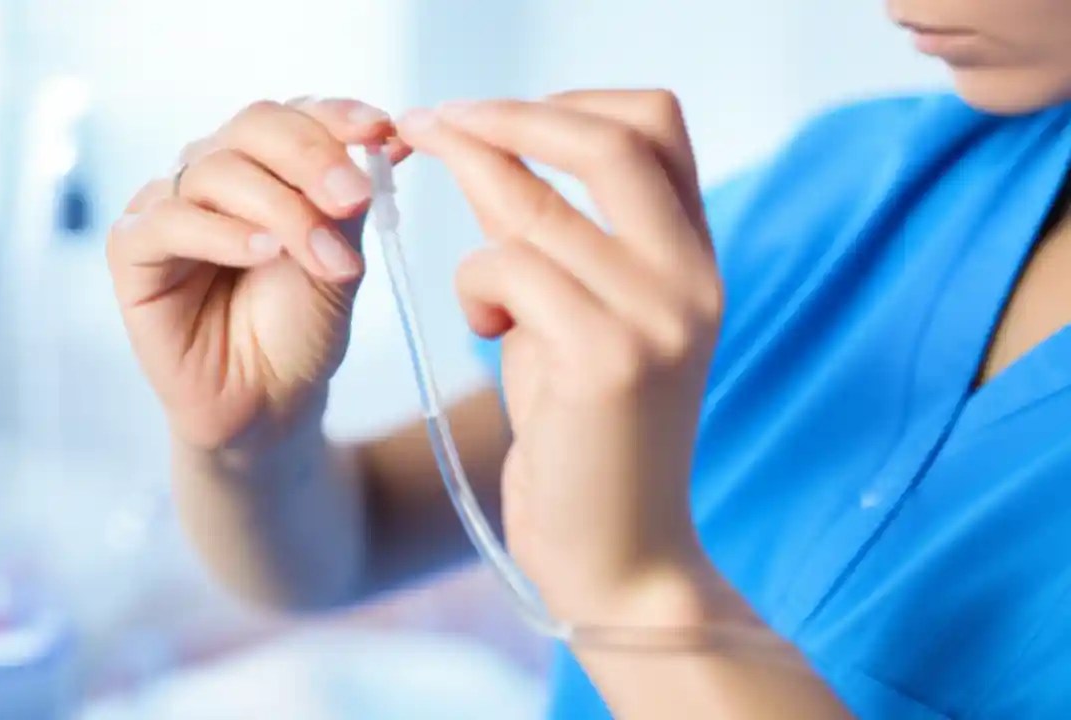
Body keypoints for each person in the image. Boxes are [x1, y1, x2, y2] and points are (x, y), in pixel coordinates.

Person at [106, 0, 1071, 716]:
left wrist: (640, 595)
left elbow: (614, 575)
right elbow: (350, 541)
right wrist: (251, 439)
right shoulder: (853, 184)